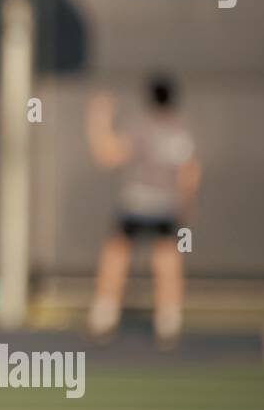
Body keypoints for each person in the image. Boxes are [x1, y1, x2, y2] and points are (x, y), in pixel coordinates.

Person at [85, 75, 201, 349]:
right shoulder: (179, 129)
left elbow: (108, 155)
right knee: (166, 256)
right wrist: (186, 204)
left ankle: (104, 314)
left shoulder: (141, 126)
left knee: (117, 253)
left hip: (136, 203)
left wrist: (98, 120)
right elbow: (191, 171)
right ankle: (169, 318)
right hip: (165, 205)